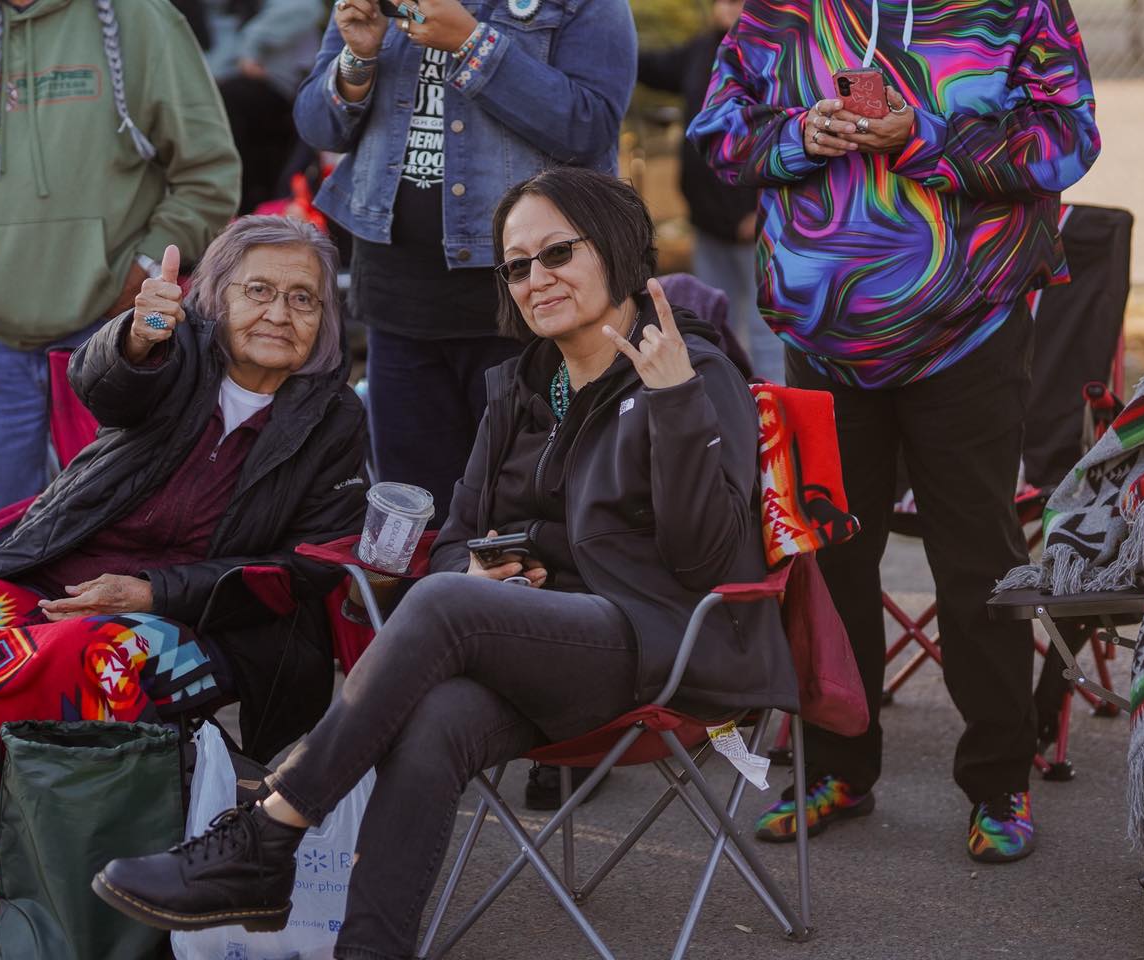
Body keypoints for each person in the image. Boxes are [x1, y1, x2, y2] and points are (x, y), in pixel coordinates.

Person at [93, 167, 796, 958]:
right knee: (434, 717)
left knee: (437, 608)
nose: (538, 279)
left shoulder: (694, 373)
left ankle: (266, 834)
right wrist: (484, 573)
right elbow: (459, 537)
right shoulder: (524, 386)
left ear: (619, 249)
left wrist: (673, 404)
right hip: (543, 651)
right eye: (519, 265)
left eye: (558, 253)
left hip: (666, 647)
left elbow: (707, 559)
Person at [0, 217, 369, 959]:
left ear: (326, 320)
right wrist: (136, 335)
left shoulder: (334, 416)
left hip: (211, 619)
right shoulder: (178, 354)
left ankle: (51, 908)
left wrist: (149, 592)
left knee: (69, 665)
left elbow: (306, 569)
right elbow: (102, 382)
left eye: (304, 300)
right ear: (217, 300)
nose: (279, 312)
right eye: (259, 290)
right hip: (58, 569)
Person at [688, 0, 1100, 863]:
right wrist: (805, 132)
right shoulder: (783, 12)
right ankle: (839, 764)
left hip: (972, 330)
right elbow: (720, 133)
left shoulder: (1017, 9)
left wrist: (930, 140)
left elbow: (1070, 135)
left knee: (978, 559)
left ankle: (999, 782)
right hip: (823, 339)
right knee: (832, 557)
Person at [0, 0, 240, 521]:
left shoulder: (142, 17)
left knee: (111, 537)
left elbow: (208, 172)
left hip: (113, 333)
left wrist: (137, 274)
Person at [291, 0, 637, 533]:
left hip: (527, 297)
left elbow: (589, 126)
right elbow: (317, 126)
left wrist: (472, 43)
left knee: (530, 509)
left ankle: (516, 617)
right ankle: (425, 614)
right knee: (415, 513)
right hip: (396, 294)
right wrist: (357, 58)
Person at [636, 0, 784, 385]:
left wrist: (759, 210)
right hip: (707, 221)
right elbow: (651, 67)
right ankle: (730, 407)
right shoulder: (702, 50)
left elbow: (778, 138)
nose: (727, 8)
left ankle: (779, 419)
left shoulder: (771, 53)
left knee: (767, 331)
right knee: (713, 324)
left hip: (756, 225)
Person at [204, 0, 327, 213]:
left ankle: (238, 205)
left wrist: (251, 48)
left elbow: (307, 8)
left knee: (231, 103)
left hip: (282, 86)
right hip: (230, 81)